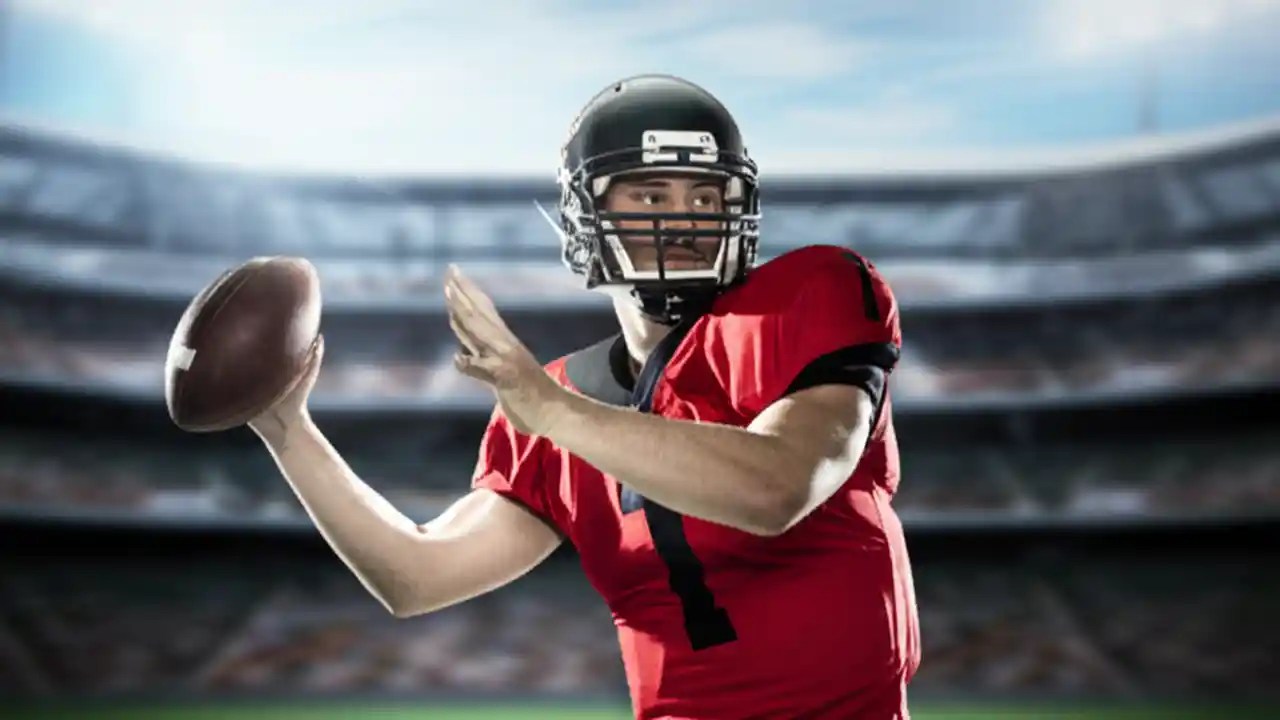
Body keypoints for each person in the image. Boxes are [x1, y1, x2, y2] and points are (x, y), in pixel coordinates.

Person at [250, 74, 920, 719]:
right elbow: (416, 576)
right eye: (650, 198)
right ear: (586, 214)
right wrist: (287, 430)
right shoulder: (561, 398)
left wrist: (556, 413)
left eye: (704, 197)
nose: (683, 221)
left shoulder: (810, 293)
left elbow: (782, 485)